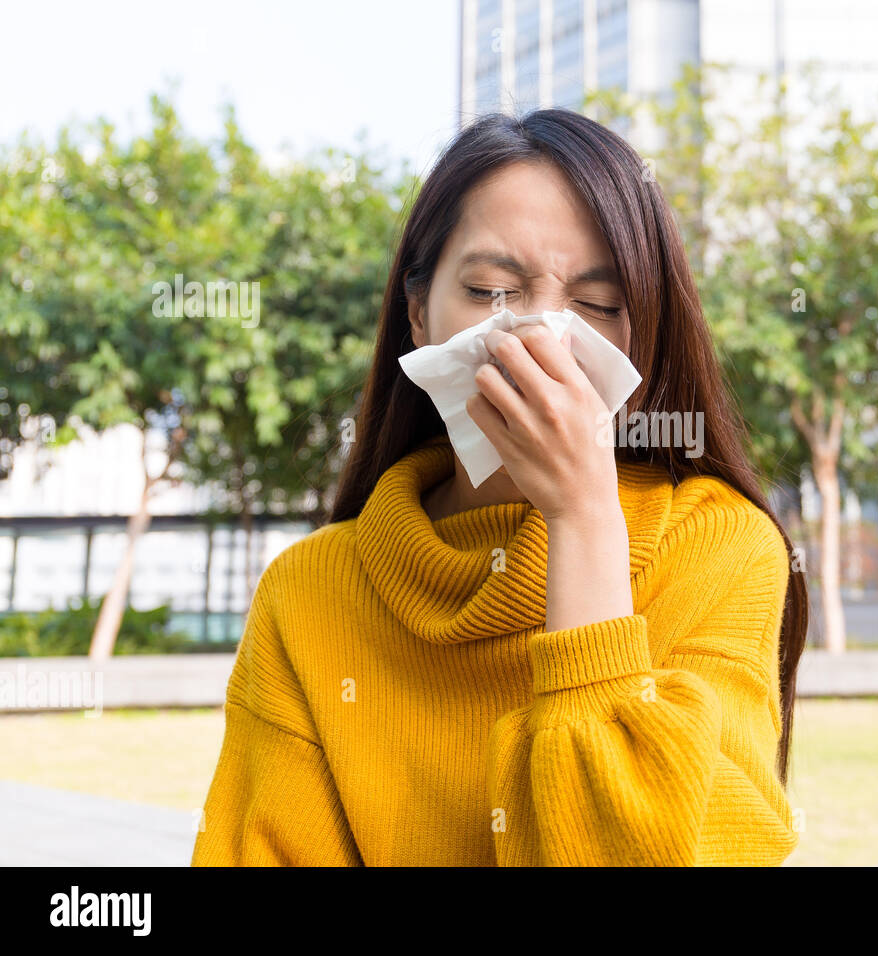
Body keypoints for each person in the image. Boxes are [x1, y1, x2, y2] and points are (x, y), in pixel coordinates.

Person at [191, 108, 808, 866]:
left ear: (644, 331)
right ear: (418, 315)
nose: (542, 338)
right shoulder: (308, 592)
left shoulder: (719, 548)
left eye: (598, 305)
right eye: (491, 290)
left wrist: (584, 519)